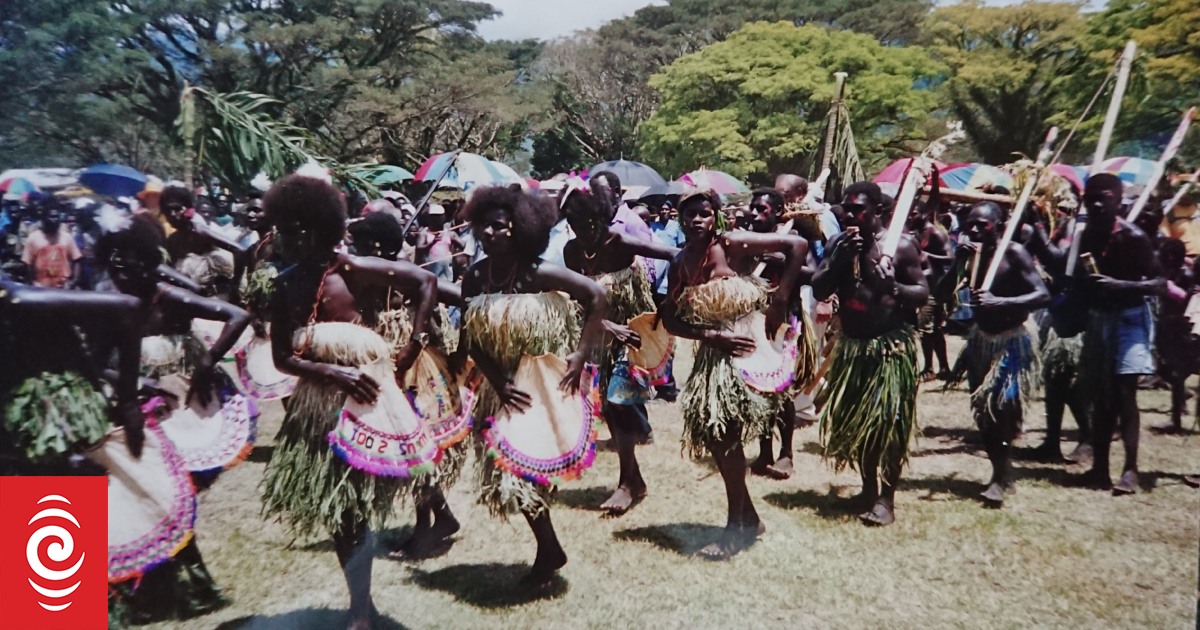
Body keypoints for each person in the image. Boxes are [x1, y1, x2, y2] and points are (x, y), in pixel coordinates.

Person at [260, 173, 441, 630]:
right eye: (282, 231)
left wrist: (414, 345)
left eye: (295, 231)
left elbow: (425, 283)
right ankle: (362, 606)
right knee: (339, 509)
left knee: (355, 507)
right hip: (317, 411)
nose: (285, 240)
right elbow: (282, 359)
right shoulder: (280, 287)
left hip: (366, 412)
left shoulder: (352, 270)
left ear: (319, 229)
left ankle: (361, 609)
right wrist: (331, 372)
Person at [459, 185, 606, 585]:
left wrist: (579, 354)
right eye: (484, 227)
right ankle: (549, 547)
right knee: (511, 469)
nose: (489, 234)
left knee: (523, 468)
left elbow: (596, 296)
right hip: (501, 389)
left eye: (499, 227)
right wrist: (495, 381)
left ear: (519, 229)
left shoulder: (538, 274)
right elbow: (469, 338)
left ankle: (548, 549)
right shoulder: (474, 277)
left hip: (537, 383)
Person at [658, 189, 807, 559]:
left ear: (716, 217)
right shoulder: (680, 263)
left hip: (750, 351)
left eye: (704, 214)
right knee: (717, 437)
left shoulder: (732, 245)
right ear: (681, 220)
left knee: (725, 437)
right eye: (690, 214)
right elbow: (671, 318)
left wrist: (780, 298)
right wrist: (708, 335)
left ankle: (735, 526)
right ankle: (748, 519)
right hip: (715, 357)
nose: (697, 220)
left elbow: (798, 244)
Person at [348, 211, 470, 560]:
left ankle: (428, 526)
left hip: (414, 370)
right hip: (384, 367)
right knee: (407, 447)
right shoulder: (365, 272)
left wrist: (419, 338)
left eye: (358, 244)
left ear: (375, 246)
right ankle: (439, 517)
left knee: (414, 445)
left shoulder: (404, 273)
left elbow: (446, 291)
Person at [811, 181, 929, 526]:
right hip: (853, 349)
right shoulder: (839, 244)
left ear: (878, 211)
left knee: (890, 425)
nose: (849, 214)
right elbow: (819, 286)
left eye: (858, 208)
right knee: (859, 423)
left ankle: (887, 499)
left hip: (889, 350)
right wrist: (838, 261)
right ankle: (867, 488)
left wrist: (892, 286)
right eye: (846, 208)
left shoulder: (900, 246)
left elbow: (922, 293)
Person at [561, 183, 678, 514]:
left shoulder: (619, 242)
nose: (578, 228)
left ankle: (629, 483)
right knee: (610, 408)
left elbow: (673, 255)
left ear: (599, 218)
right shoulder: (571, 252)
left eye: (585, 220)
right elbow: (577, 298)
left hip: (631, 336)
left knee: (620, 403)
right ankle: (633, 479)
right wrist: (605, 325)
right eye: (571, 220)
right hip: (597, 338)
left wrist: (670, 303)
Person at [937, 203, 1049, 506]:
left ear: (998, 226)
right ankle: (1001, 471)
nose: (973, 230)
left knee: (1003, 407)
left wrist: (1001, 302)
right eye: (969, 224)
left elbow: (1042, 294)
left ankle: (1000, 477)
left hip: (1012, 341)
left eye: (982, 225)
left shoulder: (1014, 253)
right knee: (984, 412)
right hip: (981, 342)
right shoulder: (969, 255)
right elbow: (940, 292)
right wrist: (956, 263)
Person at [1071, 174, 1165, 495]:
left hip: (1130, 318)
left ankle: (1130, 470)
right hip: (1100, 319)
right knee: (1100, 394)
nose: (1096, 204)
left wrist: (1119, 286)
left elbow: (1159, 284)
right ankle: (1099, 468)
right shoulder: (1085, 236)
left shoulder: (1133, 236)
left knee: (1126, 393)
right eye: (1091, 198)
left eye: (1104, 197)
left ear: (1118, 200)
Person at [736, 187, 816, 480]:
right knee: (759, 389)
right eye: (753, 208)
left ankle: (786, 454)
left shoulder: (794, 241)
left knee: (781, 392)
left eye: (763, 210)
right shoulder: (746, 238)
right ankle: (765, 451)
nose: (755, 214)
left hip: (785, 325)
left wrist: (784, 261)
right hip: (754, 323)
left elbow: (815, 276)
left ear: (779, 213)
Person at [160, 185, 247, 298]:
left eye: (177, 209)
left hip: (217, 294)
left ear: (187, 209)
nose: (172, 215)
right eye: (167, 211)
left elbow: (240, 250)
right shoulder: (172, 240)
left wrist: (234, 286)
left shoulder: (199, 230)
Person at [1151, 238, 1197, 434]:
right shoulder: (1167, 271)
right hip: (1167, 325)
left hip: (1181, 328)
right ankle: (1179, 410)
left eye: (1162, 253)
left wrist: (1169, 288)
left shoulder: (1187, 275)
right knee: (1165, 370)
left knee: (1178, 371)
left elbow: (1190, 299)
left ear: (1169, 255)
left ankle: (1177, 418)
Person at [22, 202, 82, 288]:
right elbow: (27, 263)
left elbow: (77, 260)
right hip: (41, 288)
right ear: (44, 218)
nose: (55, 220)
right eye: (52, 217)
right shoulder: (33, 238)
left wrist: (74, 282)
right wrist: (32, 283)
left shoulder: (67, 237)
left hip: (63, 288)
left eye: (57, 217)